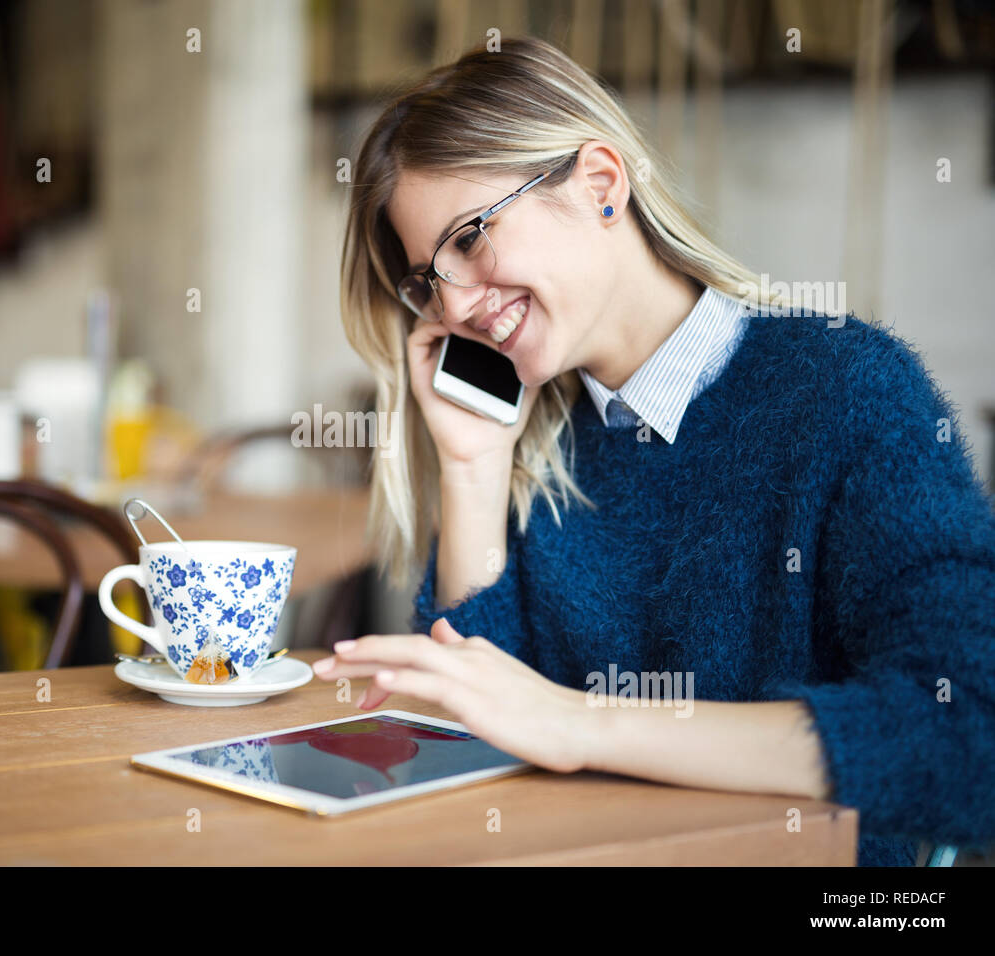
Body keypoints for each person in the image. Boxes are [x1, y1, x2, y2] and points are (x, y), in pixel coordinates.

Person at [313, 35, 995, 867]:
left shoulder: (847, 391)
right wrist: (473, 467)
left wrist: (581, 724)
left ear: (601, 185)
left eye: (470, 238)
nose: (455, 305)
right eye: (427, 280)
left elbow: (969, 731)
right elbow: (472, 729)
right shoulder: (537, 436)